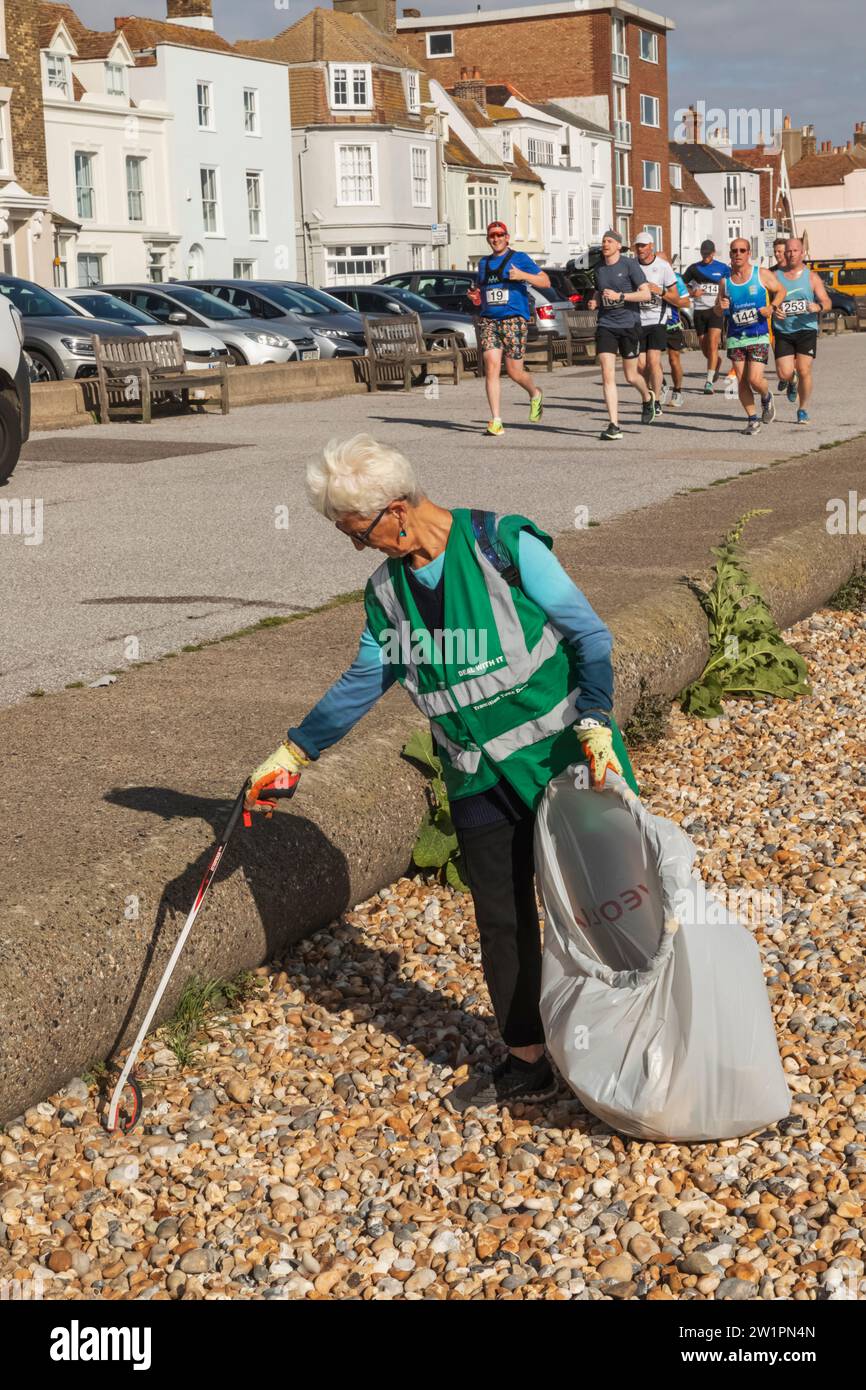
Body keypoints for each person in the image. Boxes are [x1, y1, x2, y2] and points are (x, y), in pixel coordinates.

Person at [244, 435, 639, 1113]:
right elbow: (365, 680)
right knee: (502, 920)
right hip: (475, 775)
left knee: (609, 901)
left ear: (398, 509)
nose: (357, 547)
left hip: (565, 759)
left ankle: (637, 1040)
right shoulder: (386, 596)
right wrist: (295, 753)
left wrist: (597, 717)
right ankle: (527, 1059)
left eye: (360, 531)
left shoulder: (502, 546)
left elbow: (589, 635)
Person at [466, 221, 550, 437]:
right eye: (492, 236)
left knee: (514, 371)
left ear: (507, 237)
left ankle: (534, 393)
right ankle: (495, 420)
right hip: (489, 321)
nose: (496, 239)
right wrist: (477, 298)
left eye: (500, 235)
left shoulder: (519, 258)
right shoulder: (483, 263)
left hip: (513, 319)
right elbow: (483, 291)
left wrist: (523, 276)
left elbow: (545, 281)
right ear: (488, 239)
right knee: (492, 367)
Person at [586, 228, 653, 441]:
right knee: (607, 374)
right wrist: (595, 299)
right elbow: (599, 289)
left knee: (631, 376)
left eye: (608, 241)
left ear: (617, 245)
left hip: (629, 324)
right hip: (606, 324)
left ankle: (647, 396)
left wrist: (620, 296)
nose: (605, 244)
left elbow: (646, 293)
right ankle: (614, 424)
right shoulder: (598, 269)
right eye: (603, 241)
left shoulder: (630, 265)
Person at [717, 238, 786, 435]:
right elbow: (718, 310)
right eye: (734, 251)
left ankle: (766, 396)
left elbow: (781, 290)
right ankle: (752, 420)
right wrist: (719, 307)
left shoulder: (761, 274)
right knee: (741, 380)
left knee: (755, 379)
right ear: (730, 254)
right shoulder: (725, 282)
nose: (737, 254)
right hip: (736, 337)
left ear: (748, 253)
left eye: (742, 250)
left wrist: (772, 307)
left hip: (758, 335)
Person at [772, 237, 831, 425]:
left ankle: (803, 408)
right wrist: (774, 311)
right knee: (784, 373)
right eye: (788, 251)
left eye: (795, 250)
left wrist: (818, 307)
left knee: (804, 369)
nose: (790, 254)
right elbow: (766, 303)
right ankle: (791, 381)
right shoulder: (775, 276)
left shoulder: (811, 277)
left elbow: (827, 301)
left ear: (802, 252)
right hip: (784, 330)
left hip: (806, 329)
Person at [633, 233, 687, 414]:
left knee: (653, 362)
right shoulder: (631, 266)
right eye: (637, 246)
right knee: (640, 366)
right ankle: (649, 396)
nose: (640, 249)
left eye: (643, 246)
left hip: (657, 319)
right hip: (637, 319)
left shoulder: (663, 267)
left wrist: (660, 291)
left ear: (651, 246)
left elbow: (677, 299)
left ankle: (655, 400)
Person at [683, 239, 731, 393]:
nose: (705, 257)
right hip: (699, 311)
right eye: (703, 254)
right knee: (705, 348)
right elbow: (680, 284)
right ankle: (716, 362)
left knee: (712, 344)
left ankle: (708, 382)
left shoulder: (722, 268)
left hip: (715, 310)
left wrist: (726, 300)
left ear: (713, 253)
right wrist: (692, 293)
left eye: (708, 254)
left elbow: (731, 285)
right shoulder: (694, 268)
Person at [659, 264, 690, 409]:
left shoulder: (676, 279)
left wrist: (664, 294)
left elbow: (686, 302)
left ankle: (677, 391)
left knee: (673, 359)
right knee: (648, 361)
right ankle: (662, 383)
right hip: (653, 324)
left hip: (672, 324)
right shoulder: (647, 275)